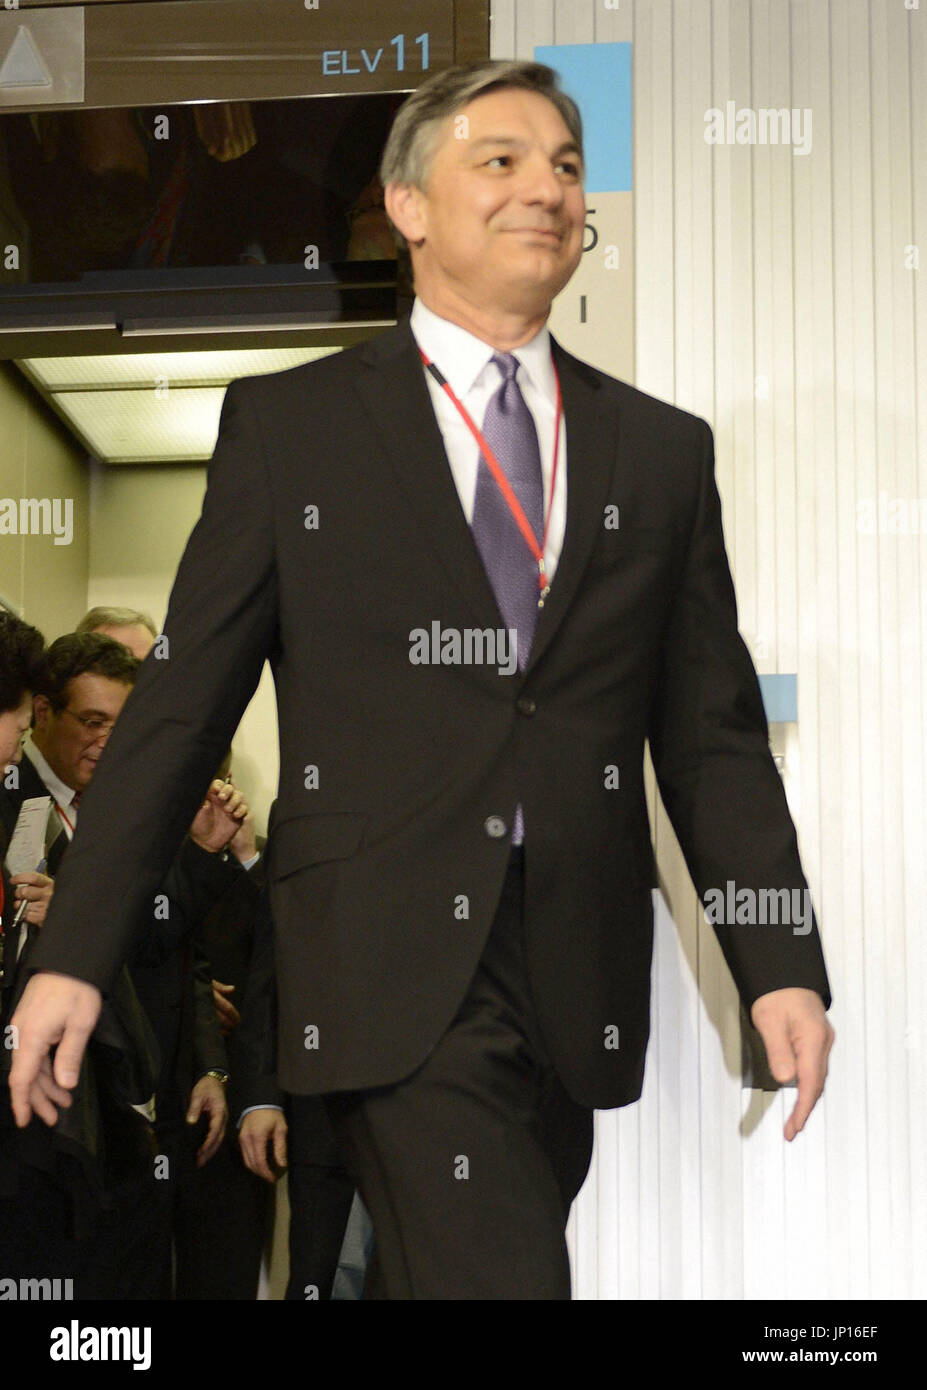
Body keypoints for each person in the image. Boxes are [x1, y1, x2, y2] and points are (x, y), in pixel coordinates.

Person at [10, 59, 834, 1300]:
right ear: (405, 204)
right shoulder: (292, 430)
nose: (545, 187)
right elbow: (180, 709)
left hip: (571, 973)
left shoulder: (661, 453)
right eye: (499, 159)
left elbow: (711, 739)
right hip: (386, 961)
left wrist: (779, 962)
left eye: (565, 165)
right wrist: (74, 951)